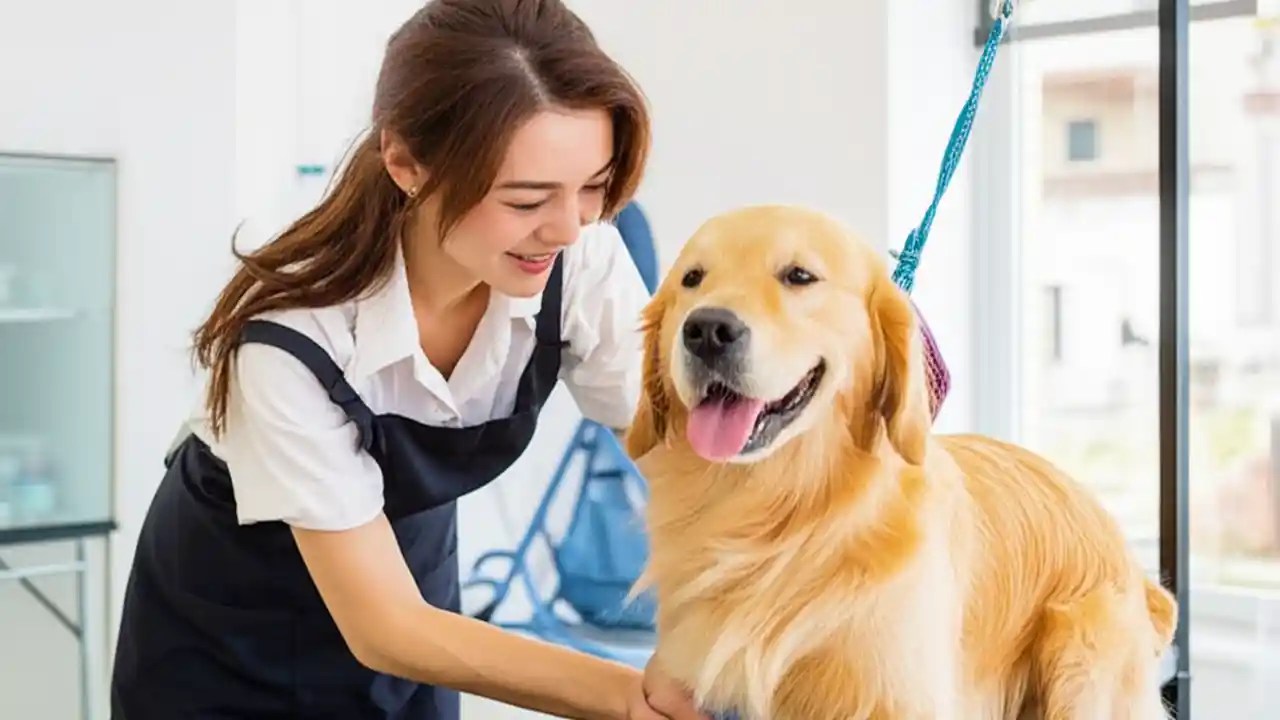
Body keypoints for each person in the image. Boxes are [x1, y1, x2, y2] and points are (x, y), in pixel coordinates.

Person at [109, 2, 705, 718]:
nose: (569, 226)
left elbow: (686, 467)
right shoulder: (289, 343)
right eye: (525, 199)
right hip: (231, 641)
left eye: (594, 188)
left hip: (415, 603)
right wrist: (631, 697)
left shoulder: (578, 257)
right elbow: (385, 628)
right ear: (406, 163)